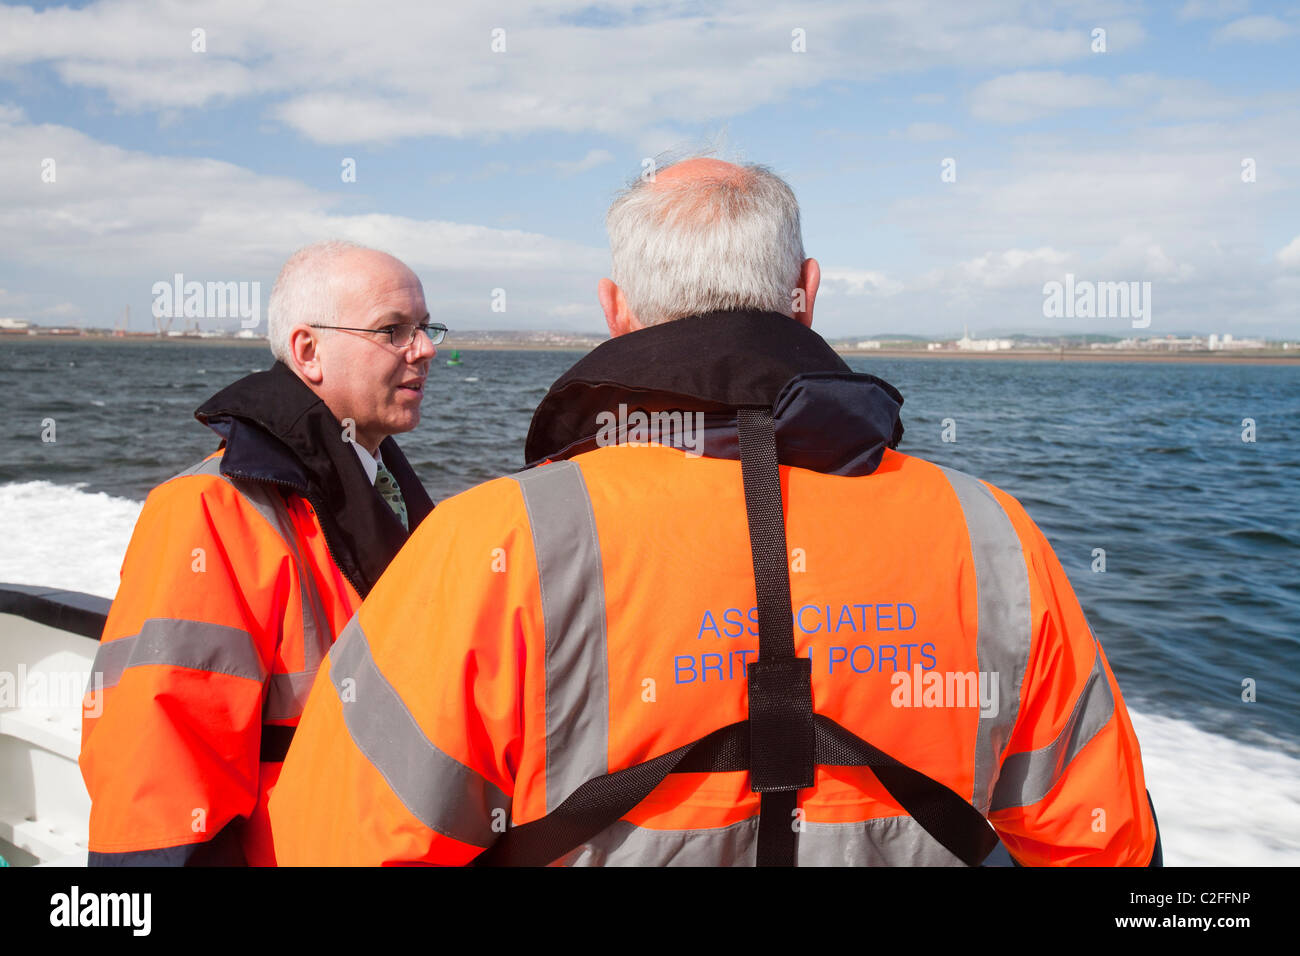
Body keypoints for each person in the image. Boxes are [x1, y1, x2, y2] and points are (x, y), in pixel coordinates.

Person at [269, 159, 1161, 866]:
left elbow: (338, 845)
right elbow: (1110, 849)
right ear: (807, 291)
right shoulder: (994, 534)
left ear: (615, 312)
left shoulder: (490, 542)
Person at [80, 240, 439, 865]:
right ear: (308, 352)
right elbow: (160, 762)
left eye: (425, 328)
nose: (426, 349)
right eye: (393, 330)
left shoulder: (398, 501)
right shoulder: (209, 511)